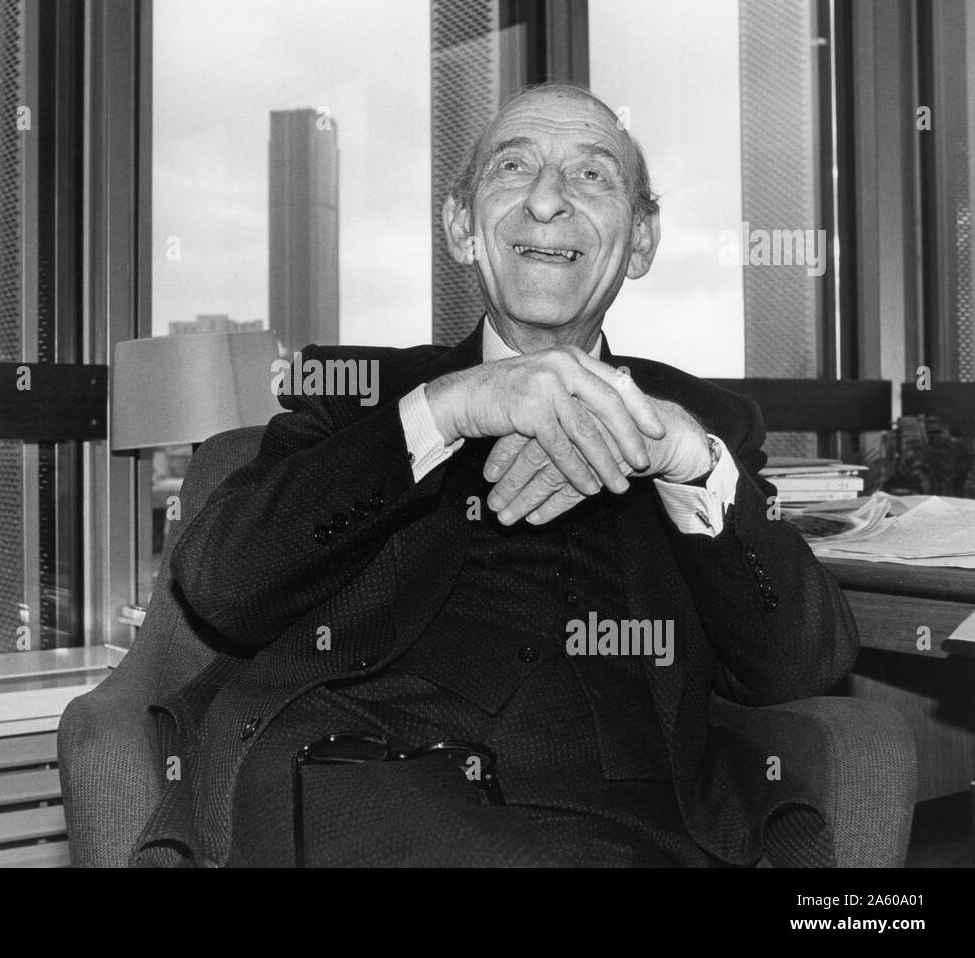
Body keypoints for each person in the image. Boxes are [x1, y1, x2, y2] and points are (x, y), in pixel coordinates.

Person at [135, 82, 859, 868]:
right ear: (459, 227)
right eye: (514, 166)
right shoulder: (357, 392)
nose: (548, 199)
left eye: (592, 175)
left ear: (642, 239)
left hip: (619, 819)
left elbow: (800, 662)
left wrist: (688, 460)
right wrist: (446, 411)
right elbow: (220, 585)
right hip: (363, 770)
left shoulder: (702, 419)